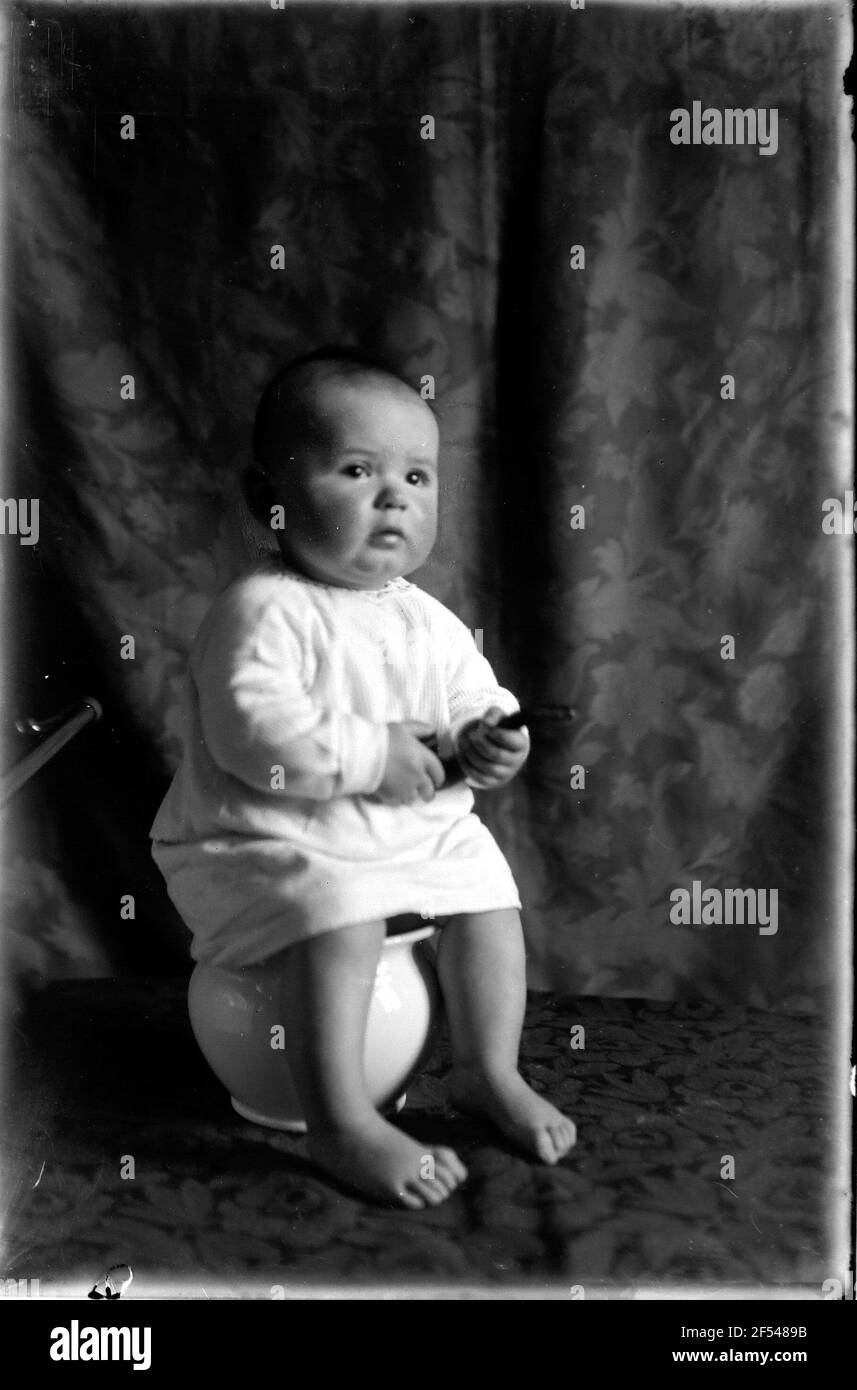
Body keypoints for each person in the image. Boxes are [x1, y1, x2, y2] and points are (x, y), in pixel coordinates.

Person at [151, 347, 576, 1208]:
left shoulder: (425, 617)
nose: (395, 497)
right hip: (261, 833)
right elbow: (250, 731)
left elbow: (469, 695)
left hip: (388, 827)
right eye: (357, 470)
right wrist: (371, 754)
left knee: (485, 888)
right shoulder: (260, 608)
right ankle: (340, 1121)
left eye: (418, 477)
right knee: (340, 909)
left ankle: (484, 1071)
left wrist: (488, 738)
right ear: (267, 499)